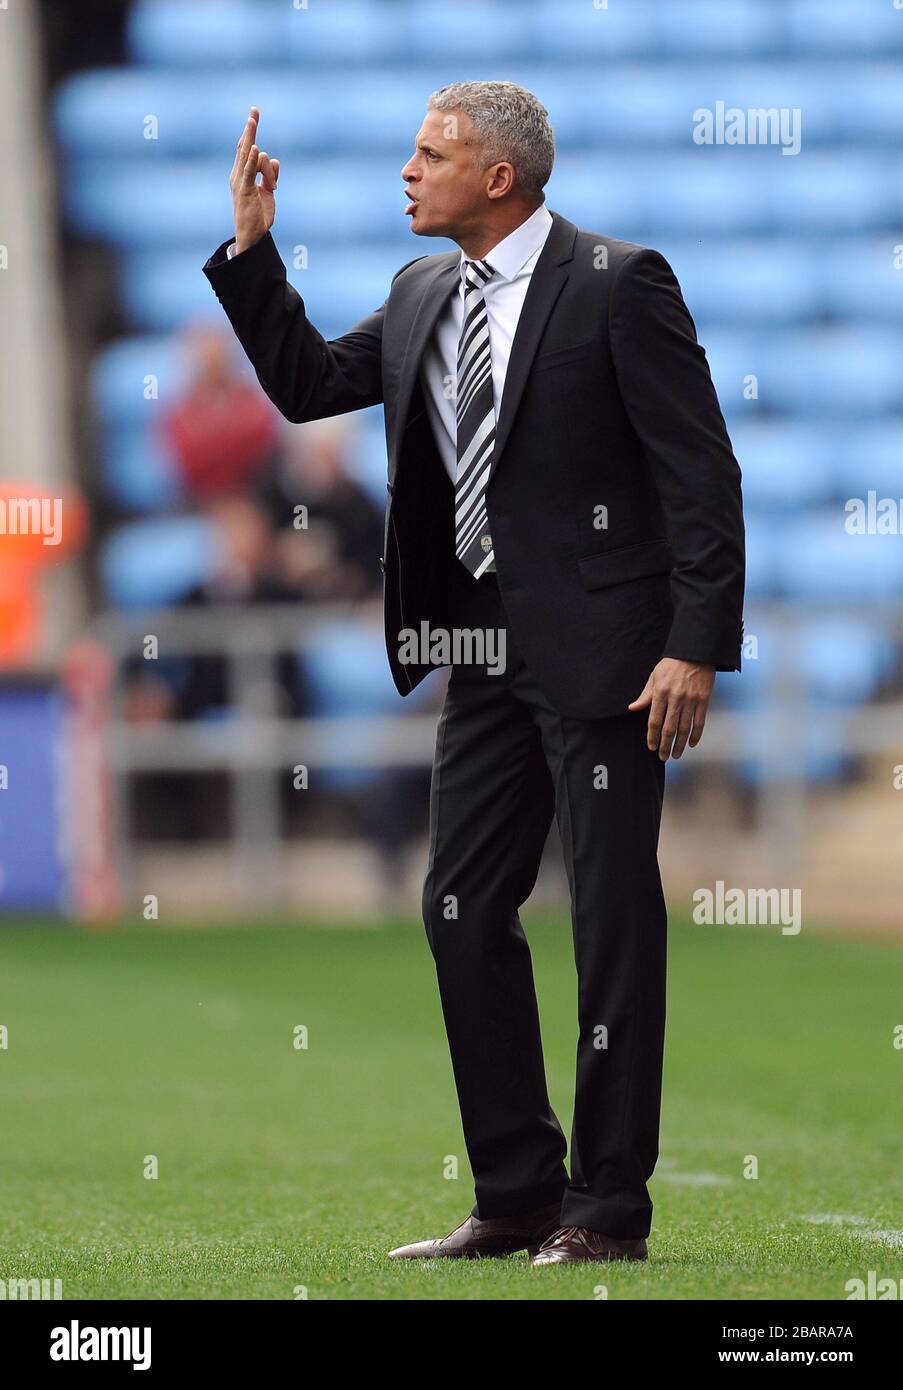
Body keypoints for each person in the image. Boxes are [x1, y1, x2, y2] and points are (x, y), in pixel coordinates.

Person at [203, 82, 745, 1266]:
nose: (408, 171)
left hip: (610, 656)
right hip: (479, 656)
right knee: (458, 906)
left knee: (609, 920)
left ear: (498, 178)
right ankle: (513, 1192)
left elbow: (701, 474)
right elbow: (302, 385)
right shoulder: (420, 293)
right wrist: (253, 250)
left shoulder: (618, 282)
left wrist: (695, 642)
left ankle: (607, 1207)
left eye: (430, 153)